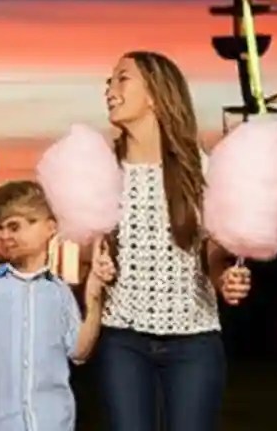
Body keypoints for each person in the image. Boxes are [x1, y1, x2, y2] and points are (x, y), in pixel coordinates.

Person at [94, 51, 253, 431]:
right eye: (109, 81)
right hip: (123, 338)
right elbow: (87, 248)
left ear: (155, 94)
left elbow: (213, 251)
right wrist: (93, 262)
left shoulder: (205, 171)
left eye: (121, 78)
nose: (109, 89)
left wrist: (226, 279)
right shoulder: (98, 168)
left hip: (194, 341)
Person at [0, 180, 116, 431]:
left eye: (15, 226)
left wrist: (94, 299)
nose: (4, 236)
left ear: (50, 228)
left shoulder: (60, 292)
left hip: (51, 422)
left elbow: (79, 351)